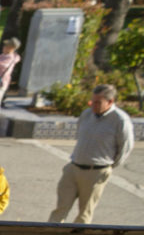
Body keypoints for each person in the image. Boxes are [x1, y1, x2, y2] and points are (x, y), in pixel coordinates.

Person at [50, 83, 135, 224]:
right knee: (61, 207)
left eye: (98, 102)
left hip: (96, 171)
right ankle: (49, 234)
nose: (93, 105)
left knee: (85, 212)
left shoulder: (120, 120)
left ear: (110, 102)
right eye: (92, 101)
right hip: (74, 167)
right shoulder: (87, 114)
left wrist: (107, 166)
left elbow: (125, 147)